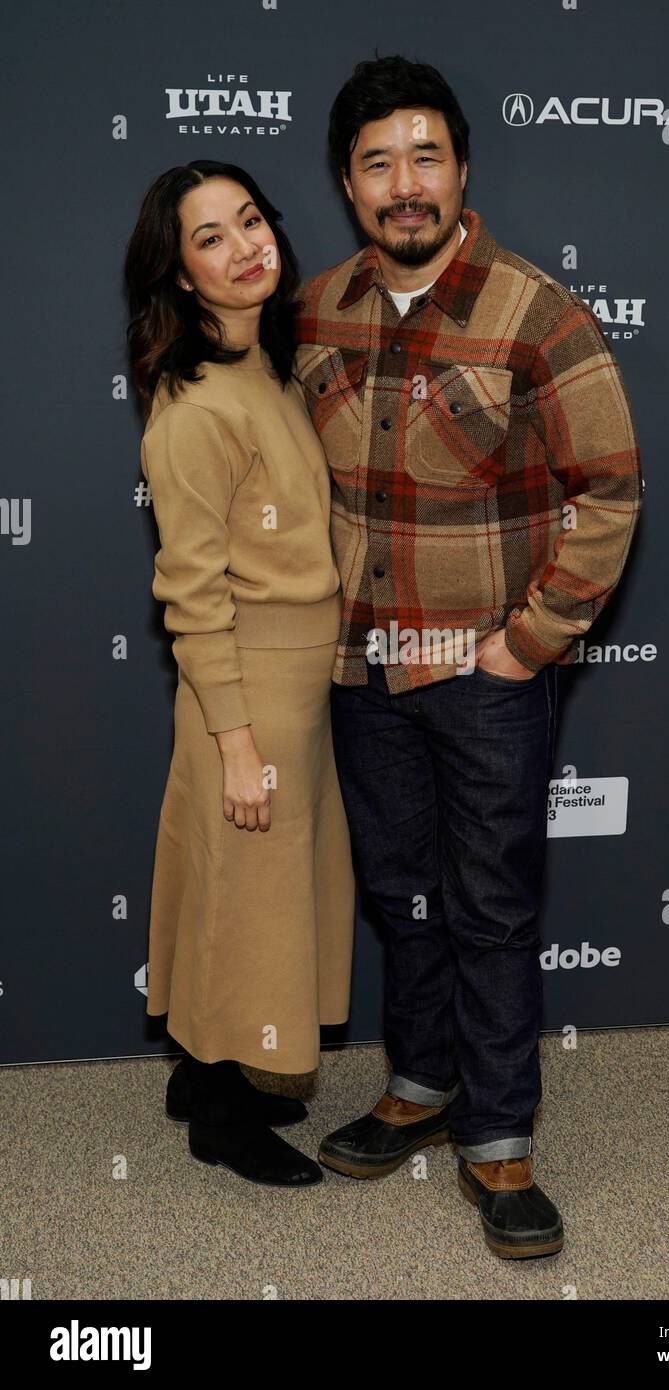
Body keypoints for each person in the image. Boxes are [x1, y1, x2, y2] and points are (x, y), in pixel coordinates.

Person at [294, 56, 643, 1256]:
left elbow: (608, 492)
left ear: (460, 168)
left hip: (487, 680)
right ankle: (421, 1087)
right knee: (403, 898)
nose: (406, 185)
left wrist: (527, 643)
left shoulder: (535, 311)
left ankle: (499, 1142)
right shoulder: (317, 309)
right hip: (362, 674)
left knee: (490, 906)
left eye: (424, 156)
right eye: (379, 163)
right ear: (348, 185)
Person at [125, 160, 355, 1188]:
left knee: (238, 892)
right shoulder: (192, 409)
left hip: (296, 683)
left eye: (249, 221)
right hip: (249, 688)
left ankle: (192, 1066)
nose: (242, 246)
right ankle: (221, 1114)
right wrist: (236, 742)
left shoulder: (271, 366)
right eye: (209, 236)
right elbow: (190, 592)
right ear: (178, 273)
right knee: (250, 904)